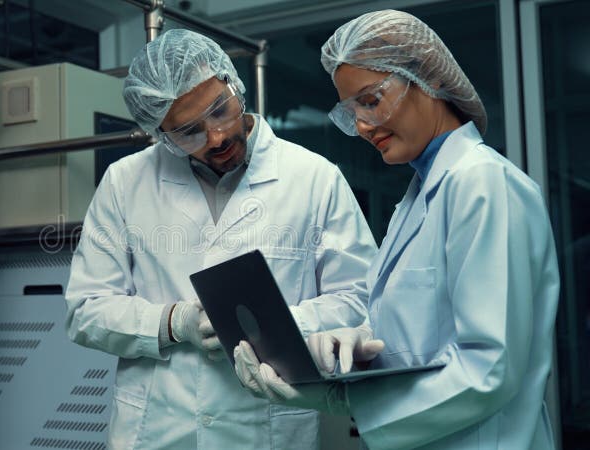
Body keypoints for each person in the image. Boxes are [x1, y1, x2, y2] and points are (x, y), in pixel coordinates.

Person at [233, 9, 561, 450]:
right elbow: (417, 334)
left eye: (371, 101)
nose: (363, 127)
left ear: (429, 78)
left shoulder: (483, 183)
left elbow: (489, 370)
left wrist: (349, 401)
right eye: (351, 112)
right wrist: (358, 344)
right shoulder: (416, 199)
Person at [65, 28, 378, 449]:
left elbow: (360, 299)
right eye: (188, 131)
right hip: (159, 429)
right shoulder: (125, 182)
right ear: (161, 135)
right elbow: (86, 310)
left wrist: (278, 323)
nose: (215, 137)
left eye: (219, 110)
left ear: (235, 85)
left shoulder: (314, 178)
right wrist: (173, 323)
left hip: (266, 428)